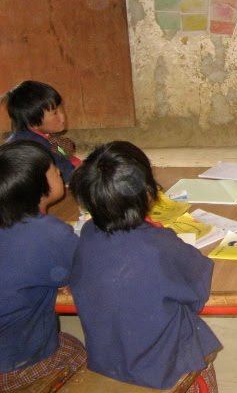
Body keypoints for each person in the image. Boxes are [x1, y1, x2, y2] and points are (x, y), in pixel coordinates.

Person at [69, 141, 221, 391]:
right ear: (149, 194)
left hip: (108, 363)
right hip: (164, 370)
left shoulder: (87, 234)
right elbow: (198, 291)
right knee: (201, 349)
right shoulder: (158, 244)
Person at [0, 141, 85, 390]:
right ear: (38, 188)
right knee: (80, 354)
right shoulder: (48, 234)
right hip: (14, 364)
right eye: (53, 170)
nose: (59, 171)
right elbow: (86, 273)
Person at [2, 81, 80, 183]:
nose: (63, 116)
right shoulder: (34, 145)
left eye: (61, 108)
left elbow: (64, 153)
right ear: (32, 121)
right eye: (55, 113)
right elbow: (65, 175)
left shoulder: (37, 137)